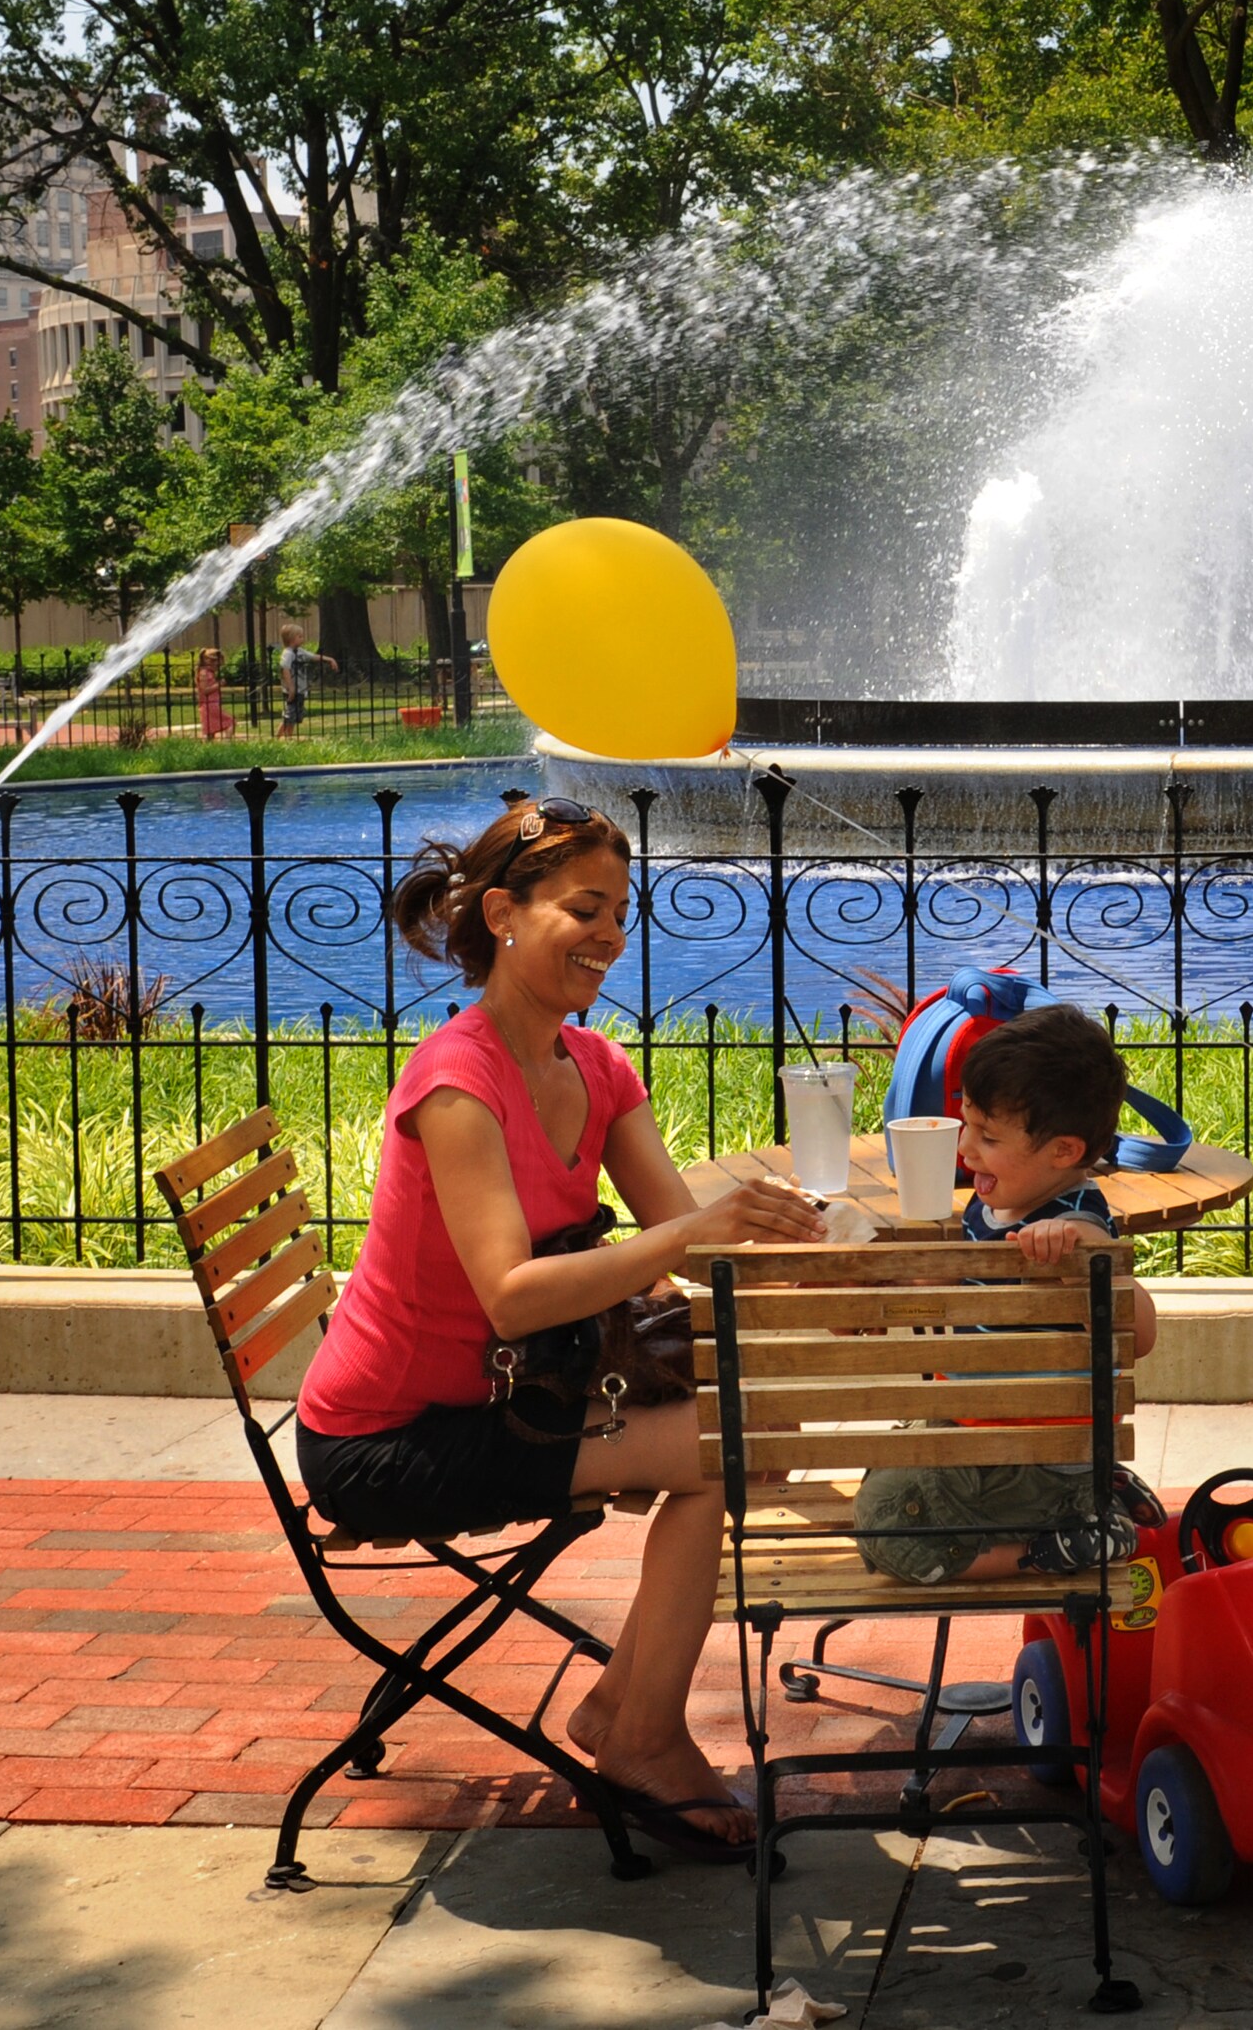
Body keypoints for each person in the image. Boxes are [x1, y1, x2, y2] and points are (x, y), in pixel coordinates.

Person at [292, 795, 825, 1858]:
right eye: (583, 907)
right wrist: (694, 1237)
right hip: (391, 1439)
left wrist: (806, 1245)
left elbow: (687, 1238)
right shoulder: (457, 1081)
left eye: (619, 912)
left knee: (757, 1429)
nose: (608, 934)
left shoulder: (595, 1066)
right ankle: (640, 1733)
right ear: (502, 912)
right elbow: (515, 1293)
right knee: (732, 1450)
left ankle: (625, 1714)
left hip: (511, 1394)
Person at [851, 1004, 1159, 1586]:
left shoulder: (1076, 1223)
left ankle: (1068, 1540)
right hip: (984, 1431)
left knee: (884, 1523)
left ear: (1064, 1152)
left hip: (1035, 1453)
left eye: (988, 1136)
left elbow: (1139, 1333)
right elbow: (972, 1290)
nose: (965, 1147)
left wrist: (1085, 1255)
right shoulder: (992, 1204)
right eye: (966, 1123)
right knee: (883, 1489)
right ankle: (1092, 1501)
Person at [275, 622, 335, 739]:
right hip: (292, 690)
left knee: (293, 715)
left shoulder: (300, 651)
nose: (303, 638)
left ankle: (281, 737)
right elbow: (285, 669)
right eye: (300, 636)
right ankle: (287, 738)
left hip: (300, 689)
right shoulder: (288, 653)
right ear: (292, 639)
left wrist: (330, 659)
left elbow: (313, 656)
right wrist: (291, 687)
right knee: (289, 716)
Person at [194, 647, 234, 739]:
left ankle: (209, 749)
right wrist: (219, 684)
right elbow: (205, 690)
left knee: (210, 730)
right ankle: (227, 744)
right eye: (217, 664)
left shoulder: (209, 672)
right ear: (209, 661)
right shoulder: (204, 673)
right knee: (229, 722)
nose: (218, 666)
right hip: (209, 705)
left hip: (212, 703)